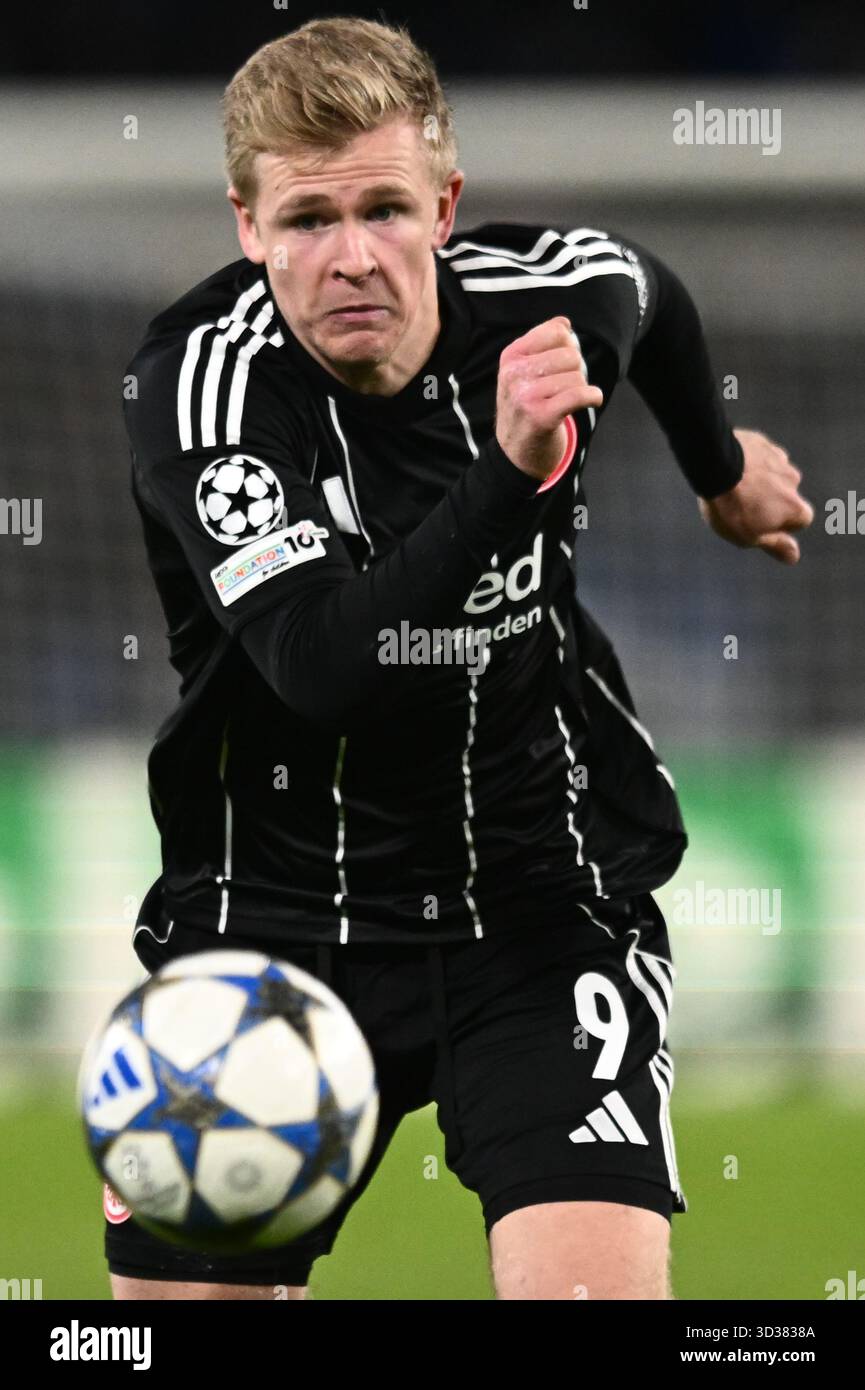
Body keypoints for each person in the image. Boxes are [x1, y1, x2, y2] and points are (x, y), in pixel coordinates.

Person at [107, 16, 813, 1300]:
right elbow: (322, 667)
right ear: (246, 226)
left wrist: (721, 475)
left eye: (384, 207)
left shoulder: (546, 304)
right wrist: (505, 474)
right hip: (272, 930)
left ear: (445, 205)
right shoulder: (203, 392)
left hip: (540, 904)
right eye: (307, 220)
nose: (351, 255)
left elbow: (645, 288)